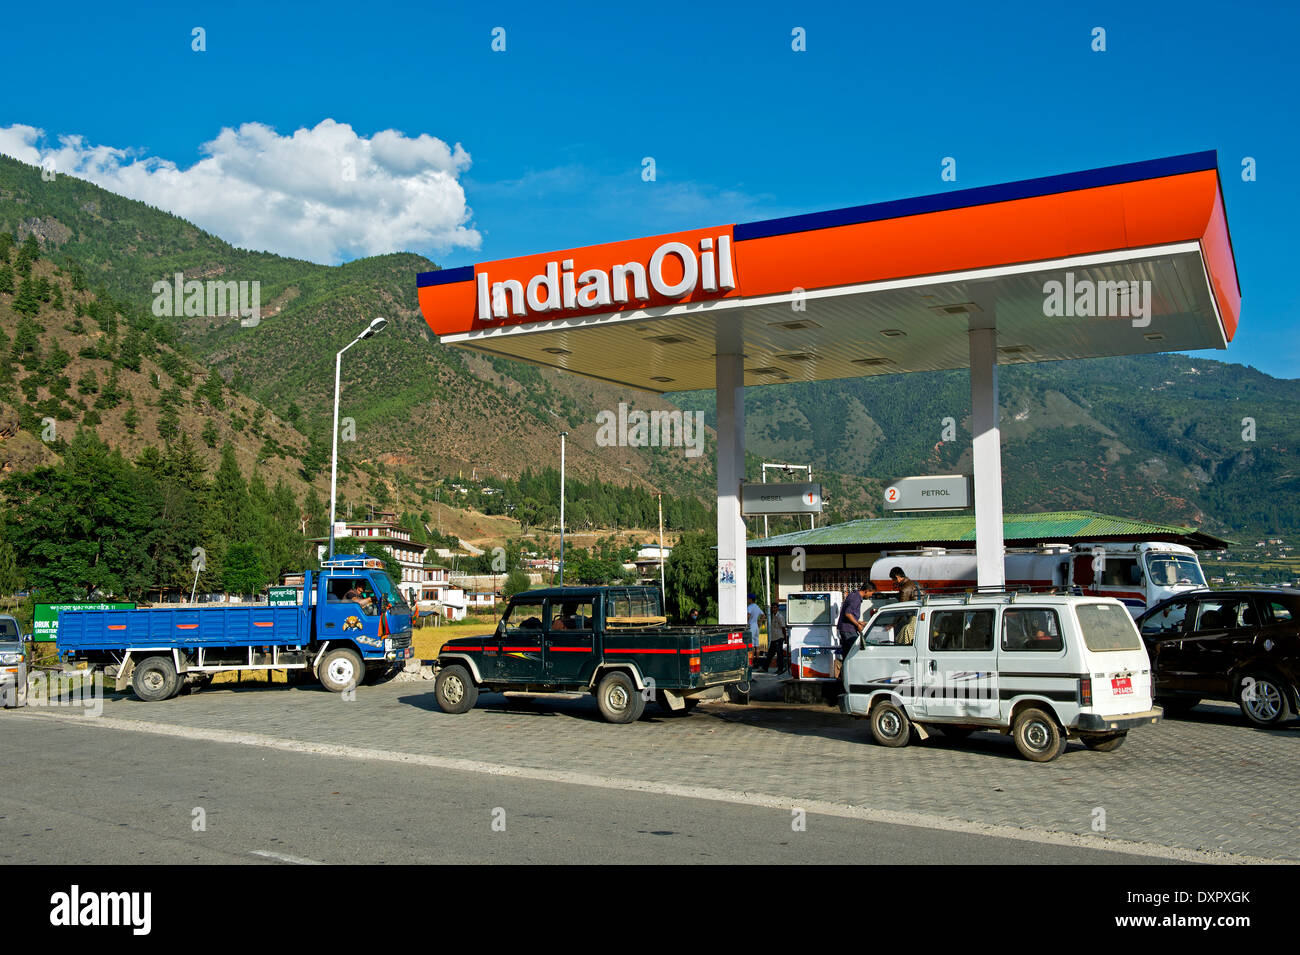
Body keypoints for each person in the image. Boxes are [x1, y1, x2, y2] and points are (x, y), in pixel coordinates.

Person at [837, 582, 877, 659]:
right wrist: (857, 624)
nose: (870, 595)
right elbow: (848, 614)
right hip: (848, 629)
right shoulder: (856, 598)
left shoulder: (854, 595)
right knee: (854, 652)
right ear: (867, 591)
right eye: (871, 593)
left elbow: (850, 614)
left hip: (847, 628)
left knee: (847, 653)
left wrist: (859, 622)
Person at [764, 602, 789, 673]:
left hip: (779, 637)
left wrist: (785, 638)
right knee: (770, 654)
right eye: (772, 607)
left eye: (775, 607)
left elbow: (783, 628)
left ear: (777, 608)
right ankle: (765, 668)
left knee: (779, 654)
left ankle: (780, 669)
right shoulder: (773, 616)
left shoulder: (779, 616)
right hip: (774, 638)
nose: (773, 609)